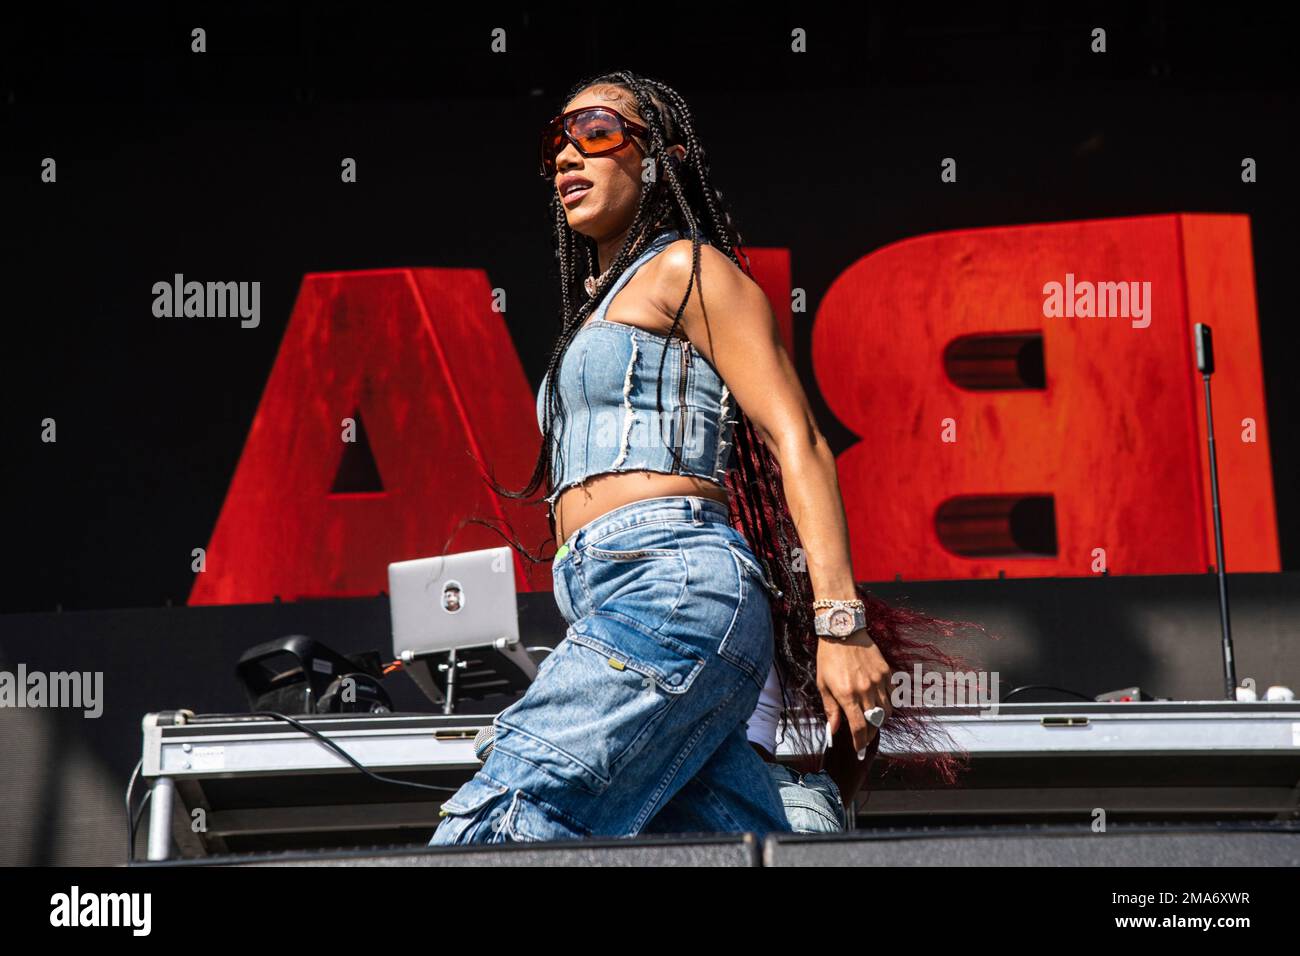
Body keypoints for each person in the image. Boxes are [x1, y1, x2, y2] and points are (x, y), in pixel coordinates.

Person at [429, 70, 973, 845]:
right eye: (556, 138)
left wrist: (841, 623)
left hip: (670, 583)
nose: (564, 156)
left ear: (662, 160)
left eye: (595, 131)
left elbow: (800, 440)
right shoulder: (599, 308)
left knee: (499, 824)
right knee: (721, 847)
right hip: (610, 595)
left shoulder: (687, 269)